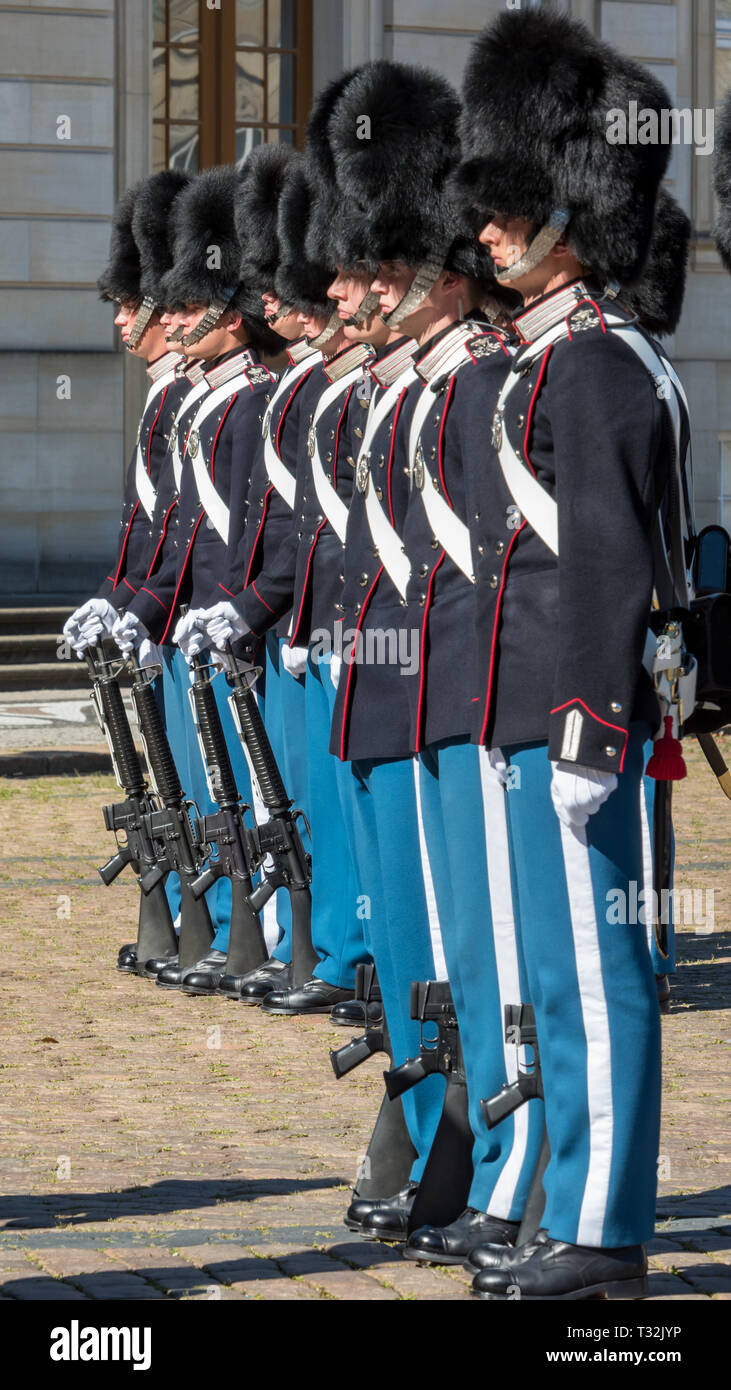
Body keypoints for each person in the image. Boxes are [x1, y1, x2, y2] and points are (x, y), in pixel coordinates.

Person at [450, 8, 691, 1299]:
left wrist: (589, 725)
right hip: (528, 711)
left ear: (567, 215)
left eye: (508, 210)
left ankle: (602, 1230)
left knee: (599, 976)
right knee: (550, 973)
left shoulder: (596, 369)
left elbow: (601, 561)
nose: (483, 232)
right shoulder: (544, 366)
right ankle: (563, 1204)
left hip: (580, 718)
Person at [200, 154, 373, 1015]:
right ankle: (326, 941)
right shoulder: (300, 388)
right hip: (300, 622)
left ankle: (348, 946)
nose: (272, 302)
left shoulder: (337, 389)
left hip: (346, 626)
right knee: (300, 799)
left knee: (335, 806)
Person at [113, 164, 283, 995]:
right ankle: (217, 914)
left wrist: (233, 614)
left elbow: (250, 531)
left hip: (237, 626)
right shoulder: (186, 400)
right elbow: (161, 526)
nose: (147, 319)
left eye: (182, 304)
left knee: (255, 792)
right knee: (203, 790)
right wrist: (128, 607)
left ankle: (286, 931)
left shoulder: (251, 399)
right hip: (189, 624)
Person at [62, 170, 192, 966]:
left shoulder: (195, 399)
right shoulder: (164, 396)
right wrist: (117, 599)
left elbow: (197, 530)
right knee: (179, 781)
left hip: (193, 615)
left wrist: (142, 604)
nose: (121, 320)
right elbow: (151, 525)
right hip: (164, 613)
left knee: (211, 789)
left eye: (129, 305)